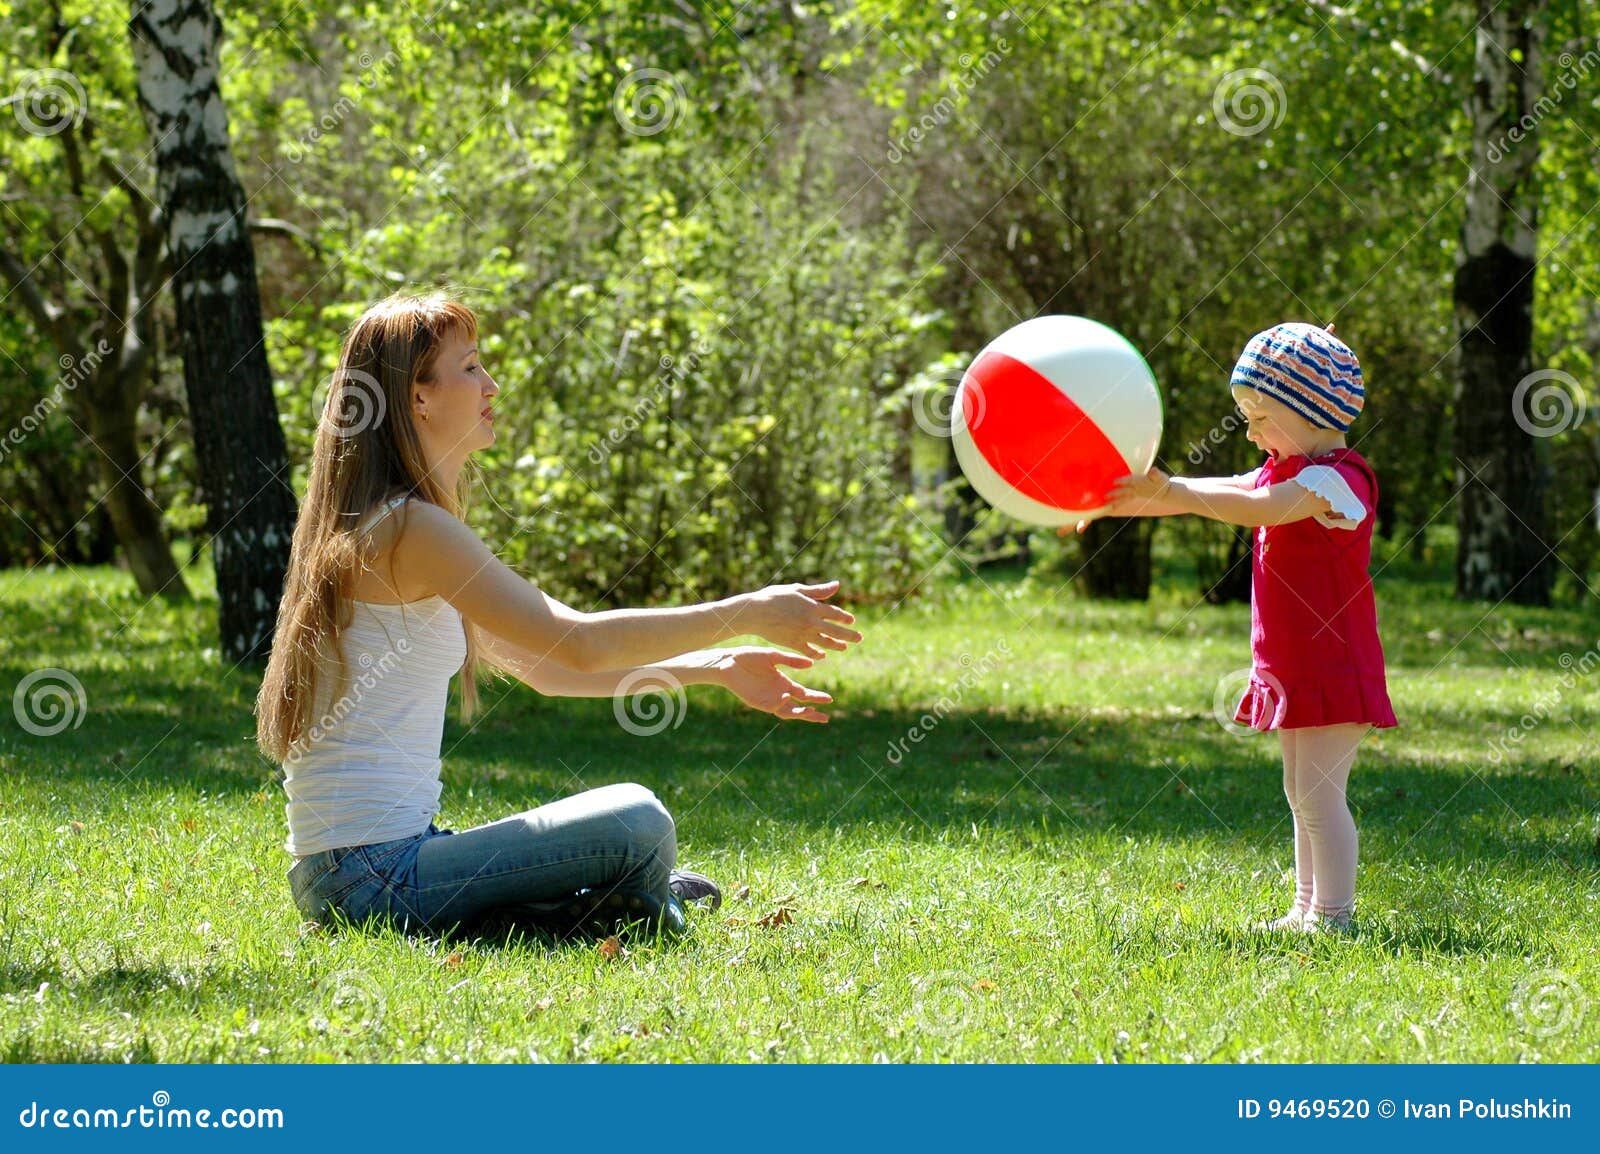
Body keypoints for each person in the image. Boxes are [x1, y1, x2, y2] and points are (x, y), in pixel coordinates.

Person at [254, 291, 862, 939]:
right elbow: (576, 644)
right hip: (374, 881)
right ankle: (619, 904)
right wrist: (746, 611)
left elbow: (547, 669)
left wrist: (716, 668)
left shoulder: (395, 524)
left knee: (628, 821)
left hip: (363, 873)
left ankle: (584, 906)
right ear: (417, 397)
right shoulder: (409, 530)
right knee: (638, 820)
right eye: (470, 368)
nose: (490, 384)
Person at [1072, 322, 1397, 934]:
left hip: (1335, 663)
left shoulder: (1338, 479)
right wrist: (1120, 499)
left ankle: (1335, 915)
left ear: (1311, 410)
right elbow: (1219, 489)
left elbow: (1256, 508)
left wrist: (1175, 490)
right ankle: (1307, 907)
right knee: (1300, 792)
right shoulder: (1282, 471)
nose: (1248, 430)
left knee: (1322, 796)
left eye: (1258, 413)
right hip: (1296, 667)